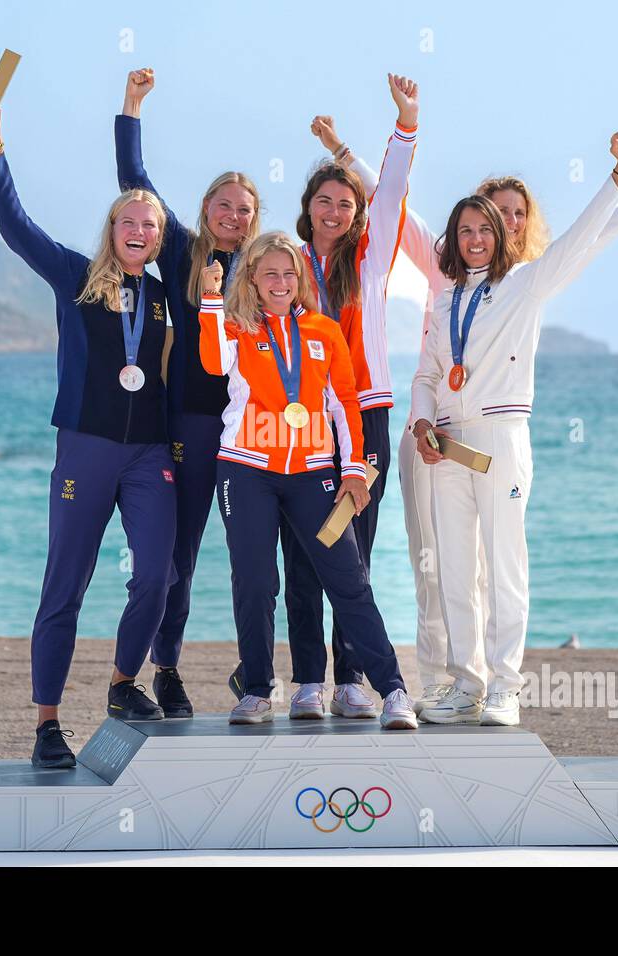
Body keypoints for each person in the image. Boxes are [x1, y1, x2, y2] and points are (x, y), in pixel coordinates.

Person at [318, 118, 618, 715]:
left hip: (500, 437)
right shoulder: (443, 297)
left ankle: (506, 687)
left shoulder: (525, 285)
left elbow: (584, 240)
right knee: (453, 570)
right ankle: (462, 684)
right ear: (455, 236)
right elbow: (428, 375)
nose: (477, 237)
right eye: (466, 229)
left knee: (504, 565)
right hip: (443, 442)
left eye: (488, 227)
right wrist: (419, 422)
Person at [0, 93, 177, 769]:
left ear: (158, 236)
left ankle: (123, 683)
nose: (140, 231)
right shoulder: (74, 276)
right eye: (130, 219)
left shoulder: (166, 295)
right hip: (85, 451)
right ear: (112, 226)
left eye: (151, 224)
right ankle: (46, 724)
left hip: (149, 453)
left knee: (158, 574)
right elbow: (15, 226)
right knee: (65, 587)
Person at [228, 73, 419, 720]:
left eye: (346, 202)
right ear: (308, 207)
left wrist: (403, 126)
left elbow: (391, 193)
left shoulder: (368, 262)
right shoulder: (286, 266)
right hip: (300, 427)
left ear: (357, 211)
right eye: (325, 201)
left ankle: (351, 680)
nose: (335, 211)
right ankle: (308, 678)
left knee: (351, 549)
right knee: (302, 552)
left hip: (364, 415)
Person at [198, 231, 417, 729]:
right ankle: (256, 691)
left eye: (289, 273)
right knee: (255, 583)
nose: (280, 282)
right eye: (270, 273)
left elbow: (343, 404)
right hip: (246, 469)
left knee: (348, 580)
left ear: (299, 280)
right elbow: (213, 362)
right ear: (250, 278)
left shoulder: (323, 330)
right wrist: (211, 300)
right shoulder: (233, 326)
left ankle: (394, 691)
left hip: (313, 475)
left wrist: (354, 469)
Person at [113, 67, 263, 718]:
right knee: (179, 558)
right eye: (224, 205)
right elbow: (135, 184)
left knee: (257, 561)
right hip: (190, 427)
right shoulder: (180, 252)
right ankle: (164, 668)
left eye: (244, 209)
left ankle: (258, 674)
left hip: (252, 434)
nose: (233, 216)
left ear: (255, 220)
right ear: (206, 210)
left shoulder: (267, 271)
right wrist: (133, 106)